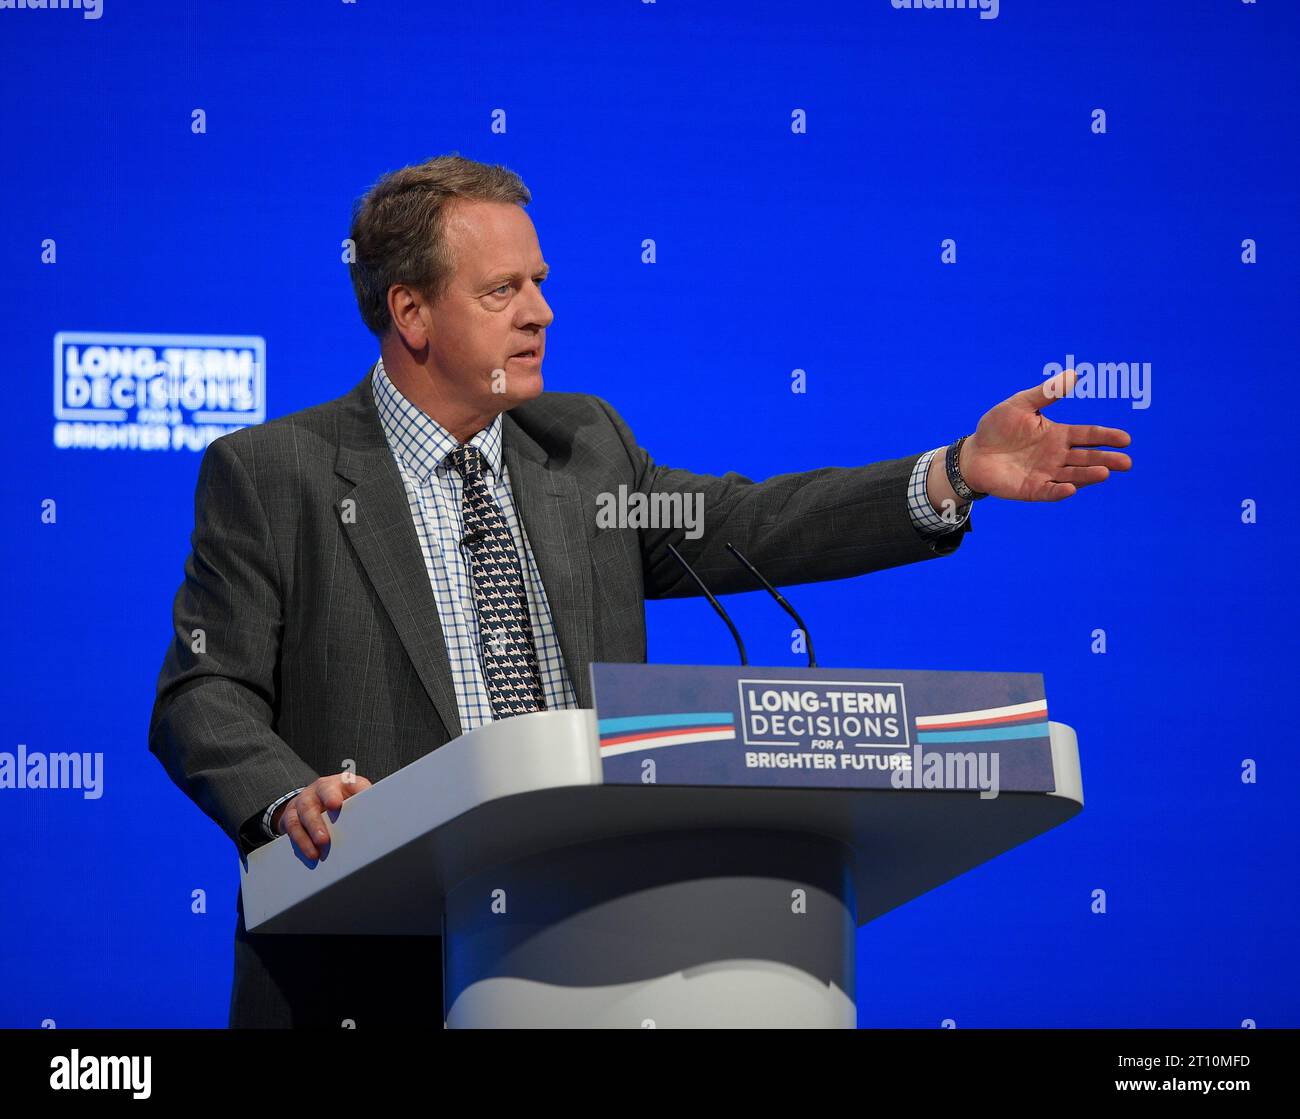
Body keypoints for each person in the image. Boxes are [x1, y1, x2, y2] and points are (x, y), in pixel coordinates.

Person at [147, 154, 1132, 1028]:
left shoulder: (580, 452)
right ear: (410, 312)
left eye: (540, 282)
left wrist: (952, 471)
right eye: (503, 291)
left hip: (592, 961)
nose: (541, 312)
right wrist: (286, 798)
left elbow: (750, 526)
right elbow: (205, 693)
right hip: (366, 972)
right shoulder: (278, 473)